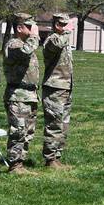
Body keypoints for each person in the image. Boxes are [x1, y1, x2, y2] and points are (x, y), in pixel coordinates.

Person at [3, 13, 41, 174]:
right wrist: (35, 37)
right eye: (30, 27)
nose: (33, 31)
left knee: (28, 131)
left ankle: (20, 162)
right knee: (18, 130)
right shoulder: (14, 44)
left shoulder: (25, 43)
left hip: (29, 95)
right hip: (18, 94)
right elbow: (25, 52)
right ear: (19, 28)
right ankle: (14, 164)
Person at [40, 13, 73, 169]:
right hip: (54, 88)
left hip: (65, 87)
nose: (66, 28)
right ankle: (50, 159)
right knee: (54, 124)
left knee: (63, 125)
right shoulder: (51, 39)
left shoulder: (63, 39)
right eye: (63, 25)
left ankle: (57, 157)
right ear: (56, 25)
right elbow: (57, 45)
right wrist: (66, 32)